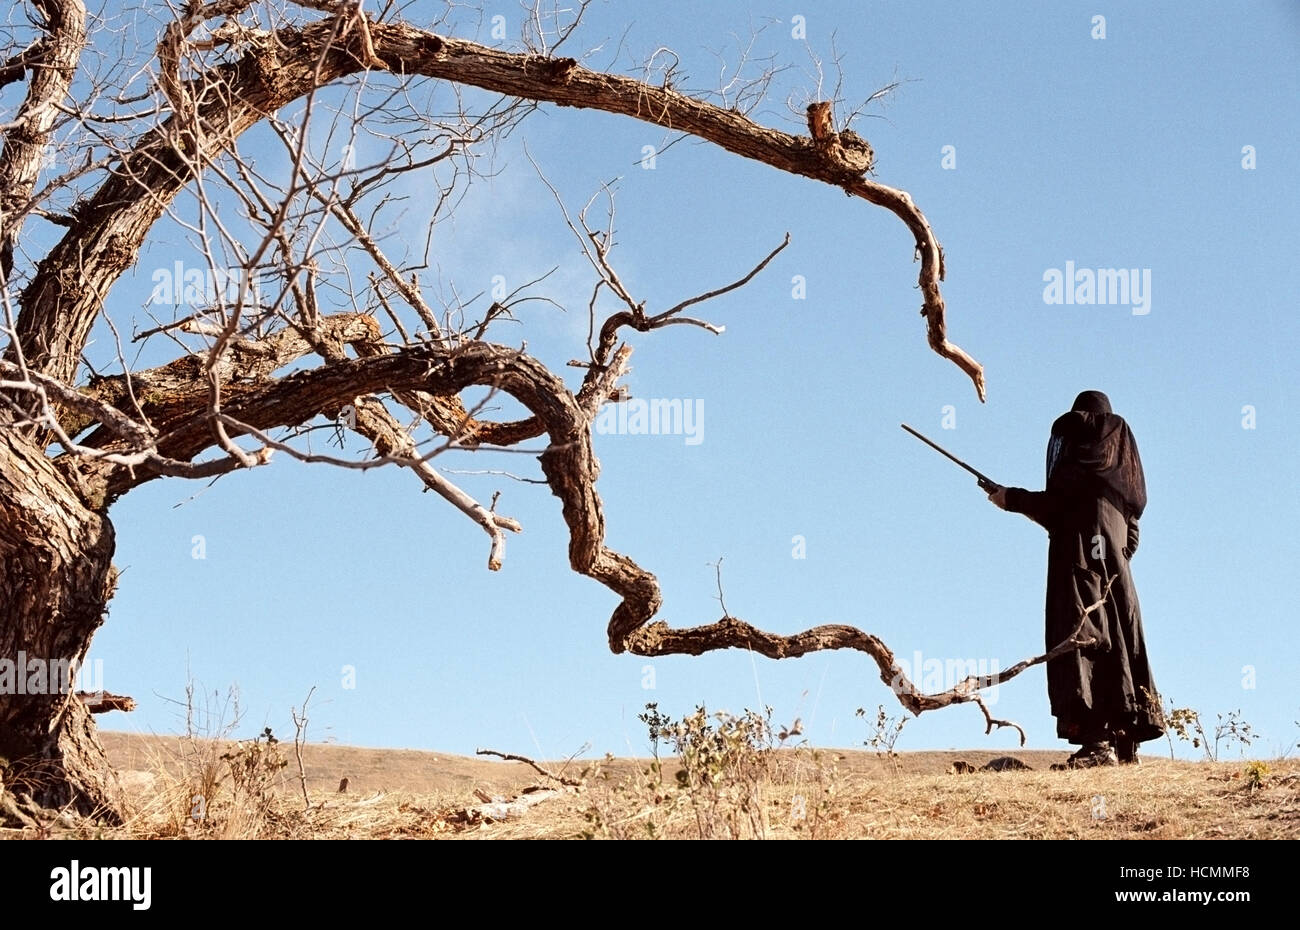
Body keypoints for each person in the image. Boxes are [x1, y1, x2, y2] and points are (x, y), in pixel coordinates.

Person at [986, 391, 1163, 767]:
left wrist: (1011, 498)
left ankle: (1096, 744)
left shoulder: (1072, 457)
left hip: (1075, 561)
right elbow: (1131, 539)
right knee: (1119, 640)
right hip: (1116, 571)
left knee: (1081, 636)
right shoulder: (1123, 483)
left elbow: (1056, 508)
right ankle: (1123, 739)